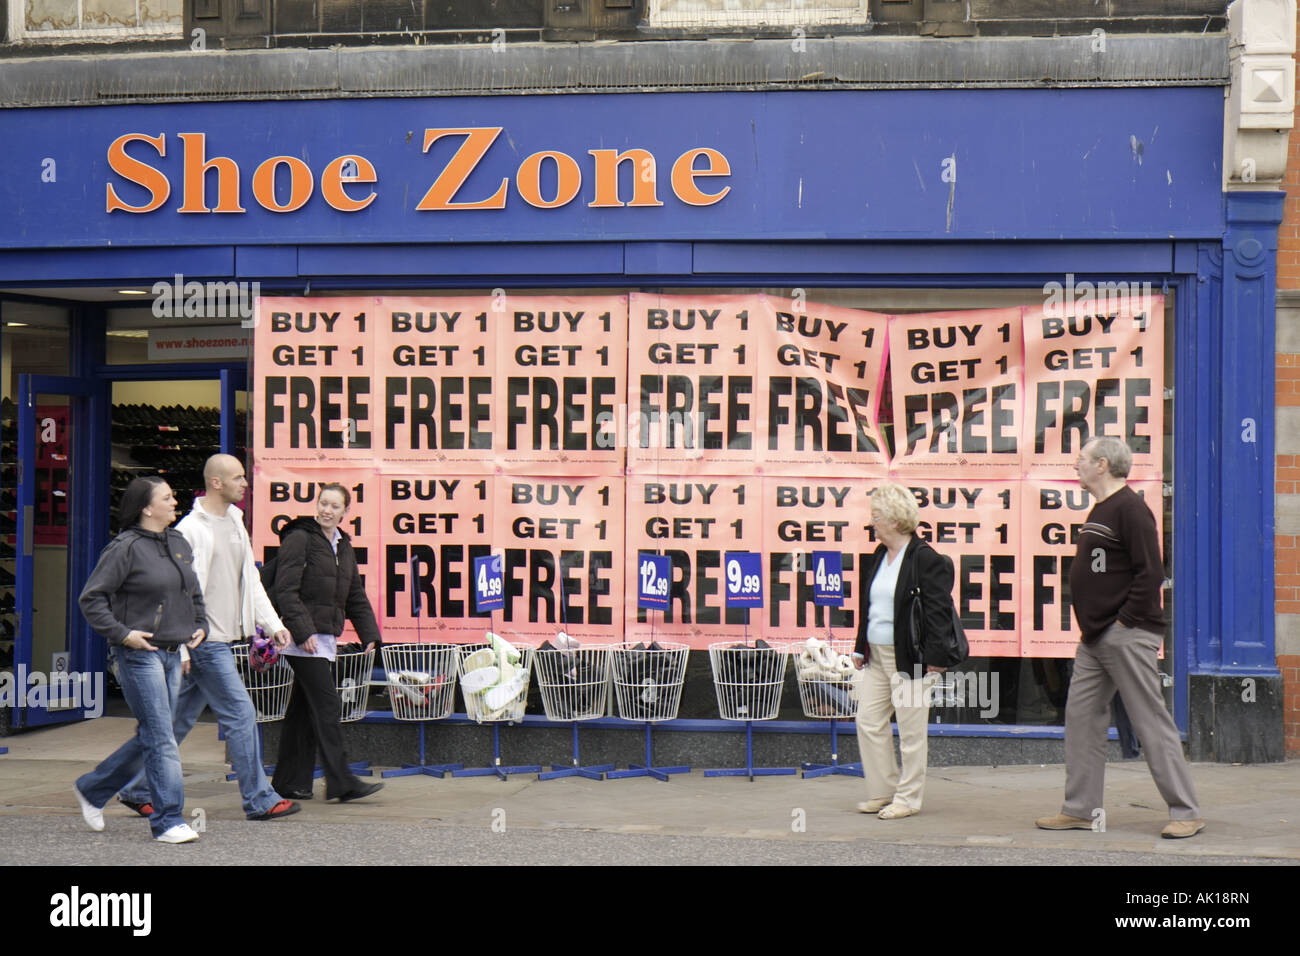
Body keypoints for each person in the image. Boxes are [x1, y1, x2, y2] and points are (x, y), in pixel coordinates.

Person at [1035, 436, 1204, 838]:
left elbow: (1151, 572)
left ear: (1103, 465)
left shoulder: (1130, 509)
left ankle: (1187, 811)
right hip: (1095, 637)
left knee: (1150, 722)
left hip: (1124, 634)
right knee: (1080, 719)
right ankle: (1080, 809)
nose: (1075, 466)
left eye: (1081, 460)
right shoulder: (1103, 509)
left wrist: (1125, 622)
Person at [116, 454, 301, 822]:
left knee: (175, 722)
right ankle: (259, 798)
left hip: (221, 638)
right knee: (241, 714)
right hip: (204, 640)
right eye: (238, 477)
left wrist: (273, 623)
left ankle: (136, 789)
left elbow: (250, 579)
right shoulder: (191, 530)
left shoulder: (234, 521)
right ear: (216, 482)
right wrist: (183, 645)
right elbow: (178, 591)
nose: (245, 483)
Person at [74, 477, 207, 844]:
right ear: (147, 508)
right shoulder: (125, 548)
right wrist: (122, 634)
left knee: (154, 733)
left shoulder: (178, 542)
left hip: (170, 652)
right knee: (162, 736)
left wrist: (199, 625)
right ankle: (167, 821)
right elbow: (92, 599)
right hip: (137, 654)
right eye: (167, 497)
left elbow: (191, 591)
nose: (174, 500)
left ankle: (93, 788)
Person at [270, 483, 383, 803]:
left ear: (346, 512)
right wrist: (303, 632)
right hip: (300, 639)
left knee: (302, 711)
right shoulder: (300, 538)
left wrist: (370, 634)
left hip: (324, 638)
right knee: (326, 704)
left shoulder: (342, 546)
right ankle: (341, 781)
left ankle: (289, 782)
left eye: (334, 506)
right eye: (322, 503)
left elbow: (354, 595)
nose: (326, 510)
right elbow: (285, 590)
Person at [851, 482, 953, 820]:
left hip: (911, 657)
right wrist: (859, 647)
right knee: (868, 721)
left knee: (911, 732)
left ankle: (908, 798)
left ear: (895, 520)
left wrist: (936, 659)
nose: (872, 522)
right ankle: (883, 791)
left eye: (876, 516)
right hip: (877, 655)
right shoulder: (879, 555)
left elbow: (938, 612)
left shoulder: (926, 559)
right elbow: (868, 606)